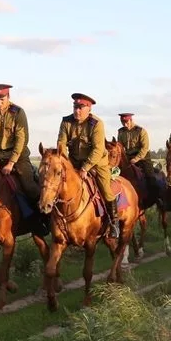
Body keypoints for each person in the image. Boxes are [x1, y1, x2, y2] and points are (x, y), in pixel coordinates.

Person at [0, 83, 47, 235]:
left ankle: (40, 220)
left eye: (2, 99)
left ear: (8, 97)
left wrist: (11, 163)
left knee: (29, 186)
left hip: (17, 156)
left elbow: (22, 140)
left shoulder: (18, 112)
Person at [57, 93, 119, 238]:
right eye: (75, 107)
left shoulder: (96, 124)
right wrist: (65, 164)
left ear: (89, 109)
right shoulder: (66, 122)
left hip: (96, 163)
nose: (77, 111)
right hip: (73, 162)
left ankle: (114, 222)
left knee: (105, 188)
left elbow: (98, 150)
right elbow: (61, 145)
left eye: (81, 108)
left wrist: (85, 168)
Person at [116, 112, 157, 198]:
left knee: (150, 177)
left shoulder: (141, 131)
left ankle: (156, 198)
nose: (124, 124)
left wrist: (136, 159)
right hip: (127, 157)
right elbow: (119, 146)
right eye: (122, 122)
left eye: (126, 122)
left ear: (131, 120)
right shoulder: (121, 132)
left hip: (142, 157)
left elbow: (145, 147)